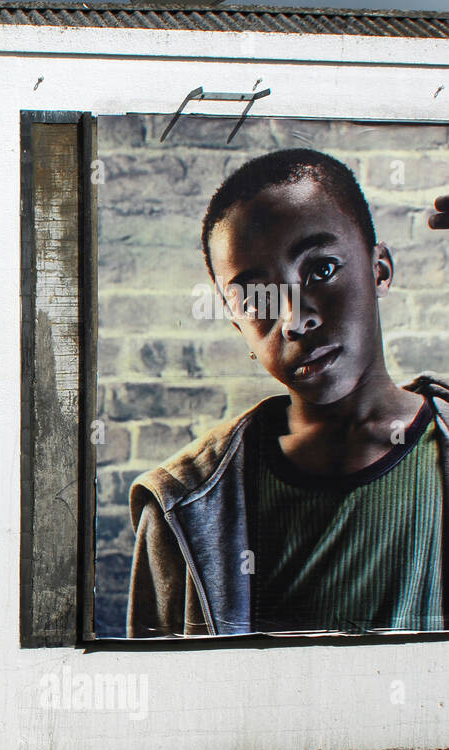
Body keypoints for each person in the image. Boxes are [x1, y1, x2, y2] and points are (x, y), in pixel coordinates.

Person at [128, 148, 449, 638]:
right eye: (258, 298)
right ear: (236, 320)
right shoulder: (180, 508)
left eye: (321, 270)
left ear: (379, 268)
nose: (296, 320)